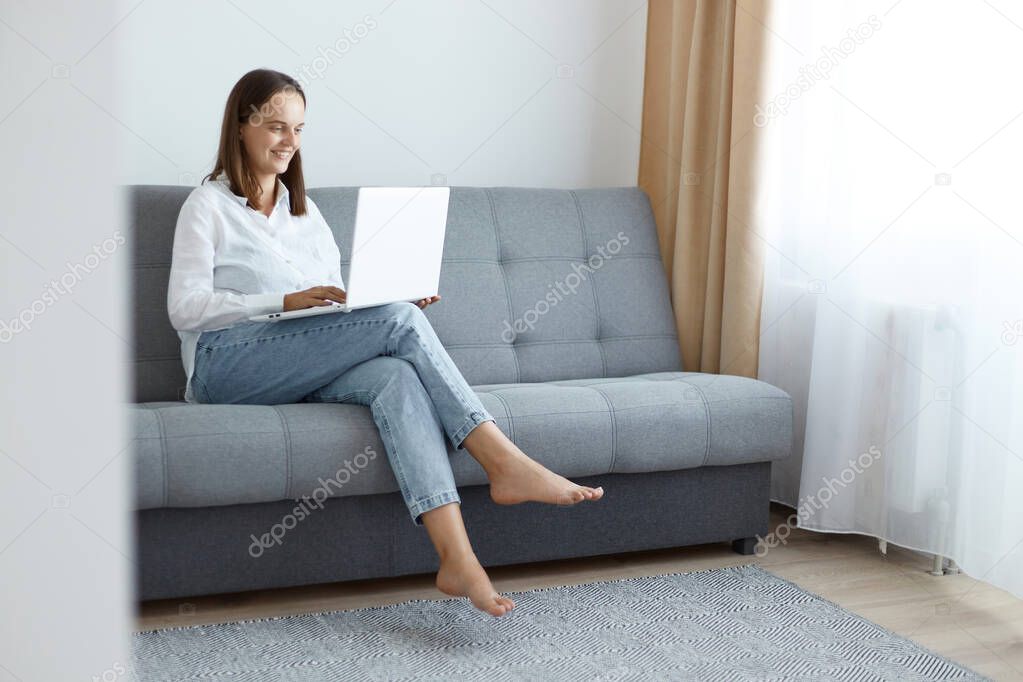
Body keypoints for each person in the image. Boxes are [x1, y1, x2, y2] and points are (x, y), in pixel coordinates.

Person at [167, 68, 604, 617]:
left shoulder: (305, 212)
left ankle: (457, 558)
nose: (289, 141)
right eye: (276, 126)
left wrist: (383, 300)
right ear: (240, 126)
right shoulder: (207, 205)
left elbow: (329, 306)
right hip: (225, 365)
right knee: (397, 324)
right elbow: (184, 308)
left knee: (395, 374)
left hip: (298, 362)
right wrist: (282, 301)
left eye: (298, 129)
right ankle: (503, 460)